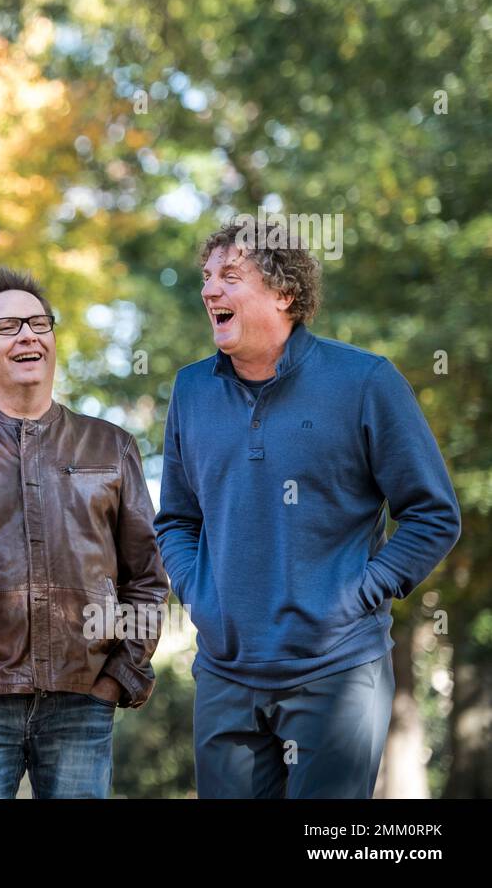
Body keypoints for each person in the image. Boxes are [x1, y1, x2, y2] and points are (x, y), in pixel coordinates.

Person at [155, 220, 461, 798]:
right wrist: (200, 593)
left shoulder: (365, 381)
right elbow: (176, 518)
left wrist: (356, 595)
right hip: (225, 673)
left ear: (283, 292)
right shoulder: (190, 391)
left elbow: (433, 513)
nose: (208, 291)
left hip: (338, 671)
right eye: (206, 277)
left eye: (230, 276)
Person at [0, 267, 169, 798]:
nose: (29, 335)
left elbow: (146, 577)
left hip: (83, 698)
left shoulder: (109, 445)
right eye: (9, 326)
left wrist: (118, 677)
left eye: (40, 323)